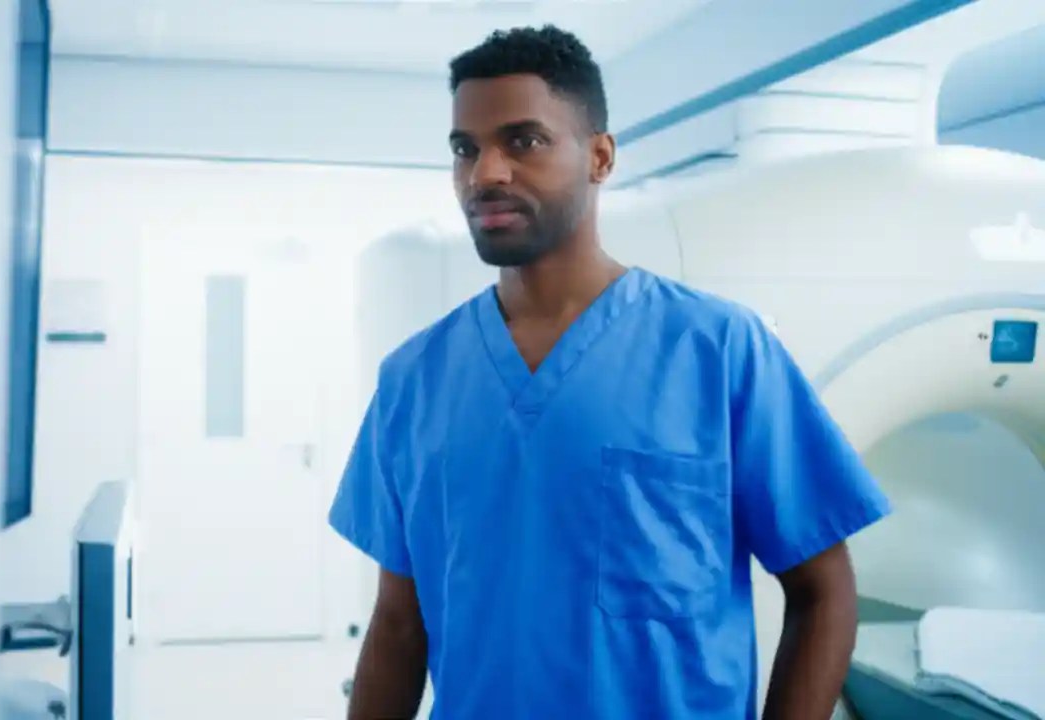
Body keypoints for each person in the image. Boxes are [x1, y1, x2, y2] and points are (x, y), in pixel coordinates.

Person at [328, 25, 892, 720]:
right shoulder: (414, 379)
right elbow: (397, 627)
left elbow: (823, 591)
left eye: (523, 141)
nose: (486, 173)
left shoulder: (717, 350)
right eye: (464, 149)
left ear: (599, 157)